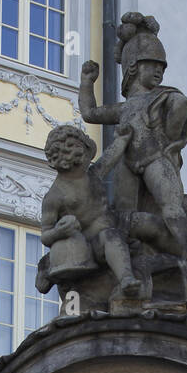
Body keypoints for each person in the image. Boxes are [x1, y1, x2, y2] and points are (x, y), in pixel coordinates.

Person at [78, 11, 187, 264]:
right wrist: (87, 82)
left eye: (162, 66)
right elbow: (89, 113)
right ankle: (133, 259)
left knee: (171, 206)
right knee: (124, 217)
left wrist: (169, 135)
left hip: (155, 157)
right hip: (127, 165)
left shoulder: (164, 96)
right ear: (134, 67)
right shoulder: (125, 107)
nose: (159, 71)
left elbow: (182, 103)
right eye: (153, 64)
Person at [40, 123, 143, 297]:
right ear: (64, 162)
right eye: (73, 149)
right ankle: (126, 279)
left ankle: (186, 252)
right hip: (91, 243)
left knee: (150, 224)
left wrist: (123, 139)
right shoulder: (54, 197)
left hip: (116, 222)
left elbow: (109, 159)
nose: (85, 160)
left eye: (83, 150)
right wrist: (59, 231)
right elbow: (45, 235)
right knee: (110, 237)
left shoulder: (92, 175)